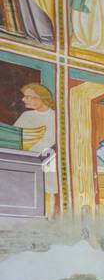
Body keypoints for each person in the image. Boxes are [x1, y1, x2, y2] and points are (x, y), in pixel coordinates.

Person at [12, 82, 55, 214]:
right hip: (25, 160)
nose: (23, 99)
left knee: (47, 194)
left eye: (28, 96)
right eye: (24, 96)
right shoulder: (27, 116)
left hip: (48, 162)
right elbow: (14, 137)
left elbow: (52, 141)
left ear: (41, 98)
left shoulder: (55, 116)